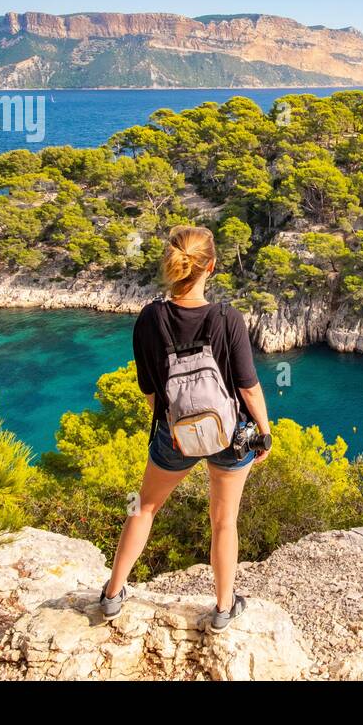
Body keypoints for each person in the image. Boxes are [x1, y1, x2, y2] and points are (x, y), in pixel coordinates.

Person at [99, 225, 272, 630]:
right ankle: (224, 608)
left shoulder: (149, 318)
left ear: (171, 265)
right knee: (224, 521)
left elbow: (149, 390)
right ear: (211, 266)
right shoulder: (227, 318)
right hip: (230, 436)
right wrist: (264, 432)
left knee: (144, 508)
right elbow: (248, 387)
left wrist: (173, 423)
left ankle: (112, 595)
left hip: (173, 433)